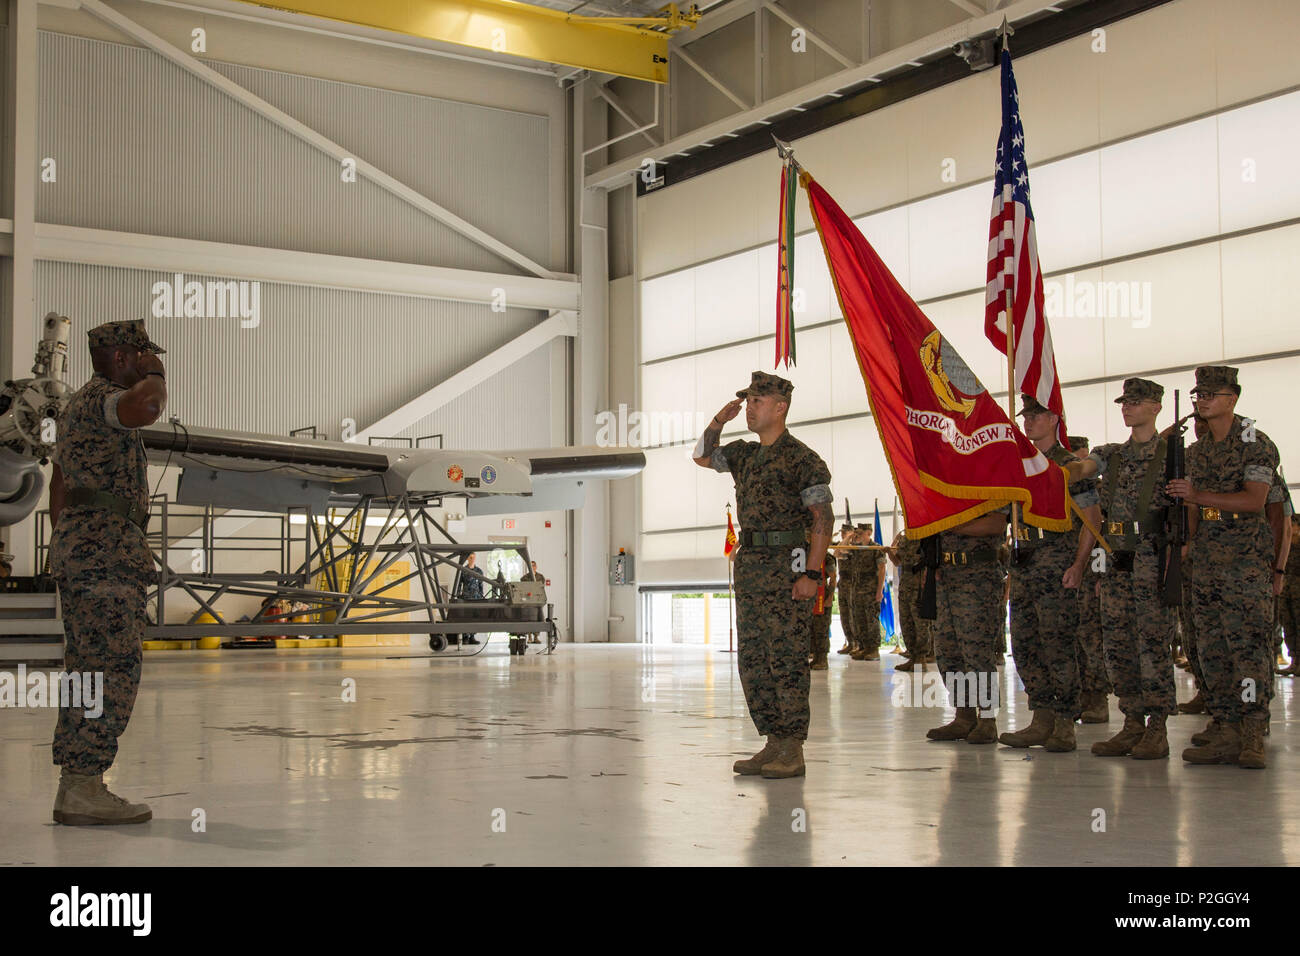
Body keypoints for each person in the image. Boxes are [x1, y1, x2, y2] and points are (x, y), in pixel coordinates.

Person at [48, 319, 167, 826]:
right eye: (141, 355)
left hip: (87, 549)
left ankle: (79, 782)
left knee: (86, 666)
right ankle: (83, 785)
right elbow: (149, 407)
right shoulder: (105, 399)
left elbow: (57, 484)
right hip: (105, 554)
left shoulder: (79, 405)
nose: (148, 363)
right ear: (123, 358)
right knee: (112, 667)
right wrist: (156, 373)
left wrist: (72, 542)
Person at [694, 371, 834, 779]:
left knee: (786, 659)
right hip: (753, 566)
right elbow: (702, 457)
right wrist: (719, 421)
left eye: (757, 402)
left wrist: (813, 572)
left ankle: (792, 747)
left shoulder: (803, 459)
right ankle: (772, 740)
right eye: (748, 401)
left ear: (780, 407)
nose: (750, 409)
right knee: (753, 660)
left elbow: (821, 519)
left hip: (787, 567)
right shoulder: (743, 454)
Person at [1172, 366, 1281, 769]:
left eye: (1210, 394)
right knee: (1210, 649)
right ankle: (1226, 726)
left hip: (1244, 562)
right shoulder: (1194, 453)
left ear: (1232, 398)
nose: (1201, 401)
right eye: (1198, 395)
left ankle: (1253, 732)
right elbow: (1191, 512)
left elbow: (1255, 500)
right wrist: (1183, 549)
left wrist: (1197, 495)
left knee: (1248, 650)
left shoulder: (1255, 442)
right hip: (1205, 562)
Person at [1067, 378, 1178, 759]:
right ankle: (1132, 723)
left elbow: (1187, 511)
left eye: (1136, 402)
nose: (1128, 408)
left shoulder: (1173, 455)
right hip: (1116, 560)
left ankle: (1157, 728)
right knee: (1117, 645)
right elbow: (1084, 469)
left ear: (1156, 407)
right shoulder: (1111, 453)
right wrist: (1059, 468)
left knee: (1152, 644)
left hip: (1152, 557)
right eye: (1124, 403)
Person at [999, 396, 1099, 752]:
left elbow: (1092, 518)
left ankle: (1065, 720)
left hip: (1057, 563)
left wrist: (1079, 564)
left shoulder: (1069, 466)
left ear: (1055, 418)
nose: (1029, 422)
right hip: (1024, 562)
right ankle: (1040, 715)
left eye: (1037, 416)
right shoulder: (1017, 464)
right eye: (1026, 416)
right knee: (1024, 644)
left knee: (1058, 643)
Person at [925, 506, 1009, 745]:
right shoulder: (945, 485)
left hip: (978, 573)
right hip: (945, 572)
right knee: (947, 649)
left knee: (976, 649)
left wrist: (951, 523)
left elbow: (996, 524)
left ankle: (987, 719)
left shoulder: (987, 482)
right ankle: (964, 715)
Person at [1067, 435, 1111, 723]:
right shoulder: (1066, 486)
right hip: (1064, 565)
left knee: (1090, 635)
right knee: (1069, 635)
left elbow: (1106, 534)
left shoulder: (1100, 491)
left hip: (1093, 567)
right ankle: (1076, 695)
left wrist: (1102, 575)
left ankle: (1097, 698)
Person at [890, 529, 934, 672]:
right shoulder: (905, 539)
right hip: (905, 583)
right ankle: (913, 657)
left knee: (920, 622)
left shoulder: (926, 536)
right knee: (906, 620)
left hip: (919, 583)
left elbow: (931, 561)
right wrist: (889, 551)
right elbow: (897, 561)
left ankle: (921, 658)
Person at [848, 523, 885, 661]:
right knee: (859, 620)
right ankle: (864, 647)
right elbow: (839, 553)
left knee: (871, 620)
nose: (858, 535)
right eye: (857, 533)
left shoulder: (876, 548)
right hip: (857, 590)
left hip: (870, 590)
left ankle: (874, 649)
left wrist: (879, 591)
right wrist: (850, 537)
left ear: (868, 533)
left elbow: (882, 569)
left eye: (861, 533)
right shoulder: (856, 548)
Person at [808, 550, 837, 670]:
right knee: (812, 628)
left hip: (822, 597)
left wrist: (830, 597)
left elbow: (833, 578)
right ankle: (815, 657)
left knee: (821, 629)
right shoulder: (806, 553)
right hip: (810, 597)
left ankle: (822, 659)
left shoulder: (827, 557)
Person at [834, 522, 859, 656]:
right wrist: (846, 538)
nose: (843, 534)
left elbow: (842, 551)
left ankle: (857, 643)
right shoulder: (842, 544)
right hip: (842, 582)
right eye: (842, 532)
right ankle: (850, 642)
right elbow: (837, 553)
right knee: (844, 615)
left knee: (852, 614)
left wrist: (849, 538)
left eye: (845, 532)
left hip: (851, 582)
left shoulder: (853, 547)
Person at [454, 552, 485, 645]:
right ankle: (465, 637)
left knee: (475, 617)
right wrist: (458, 595)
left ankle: (472, 636)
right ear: (467, 558)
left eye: (473, 557)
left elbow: (481, 585)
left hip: (476, 598)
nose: (472, 559)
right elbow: (459, 584)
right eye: (470, 557)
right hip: (466, 597)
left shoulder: (479, 571)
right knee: (466, 617)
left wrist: (481, 597)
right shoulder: (463, 570)